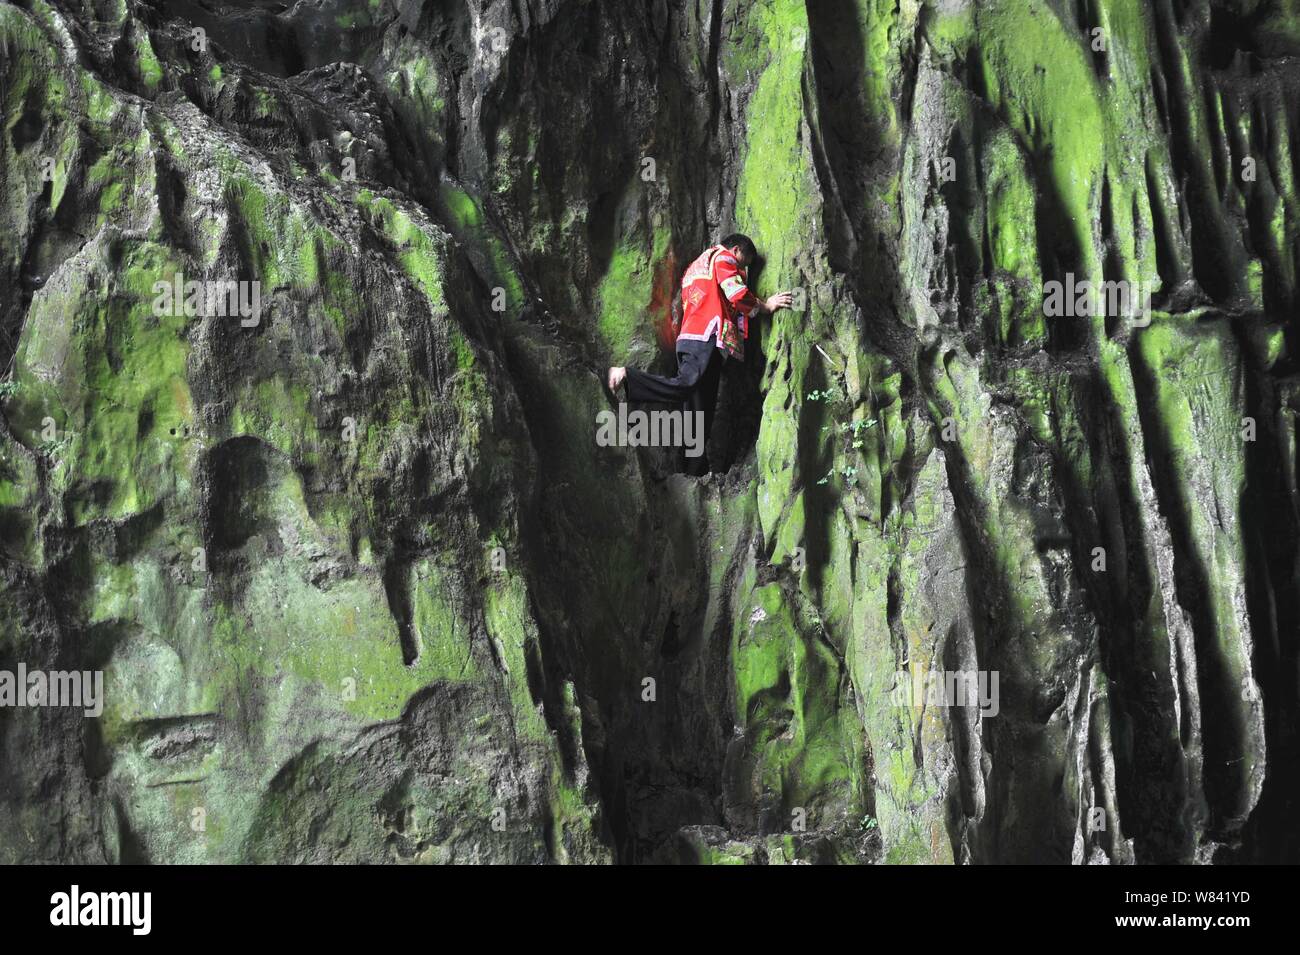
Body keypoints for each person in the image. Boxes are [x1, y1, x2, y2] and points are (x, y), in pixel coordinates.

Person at [607, 234, 793, 475]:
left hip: (693, 338)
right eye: (743, 264)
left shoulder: (697, 265)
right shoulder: (724, 259)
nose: (742, 270)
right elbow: (736, 292)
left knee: (698, 410)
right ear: (735, 250)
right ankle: (627, 376)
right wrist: (765, 305)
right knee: (685, 386)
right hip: (705, 337)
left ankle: (694, 470)